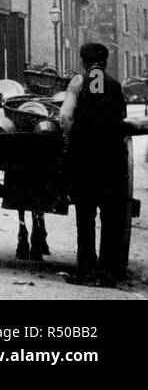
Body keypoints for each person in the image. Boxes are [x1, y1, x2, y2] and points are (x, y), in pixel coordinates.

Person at [59, 42, 129, 286]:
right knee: (110, 216)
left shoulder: (78, 82)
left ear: (83, 61)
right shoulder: (114, 85)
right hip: (111, 161)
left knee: (85, 215)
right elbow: (121, 116)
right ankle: (107, 272)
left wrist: (71, 137)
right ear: (105, 62)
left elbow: (65, 115)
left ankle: (86, 269)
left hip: (85, 159)